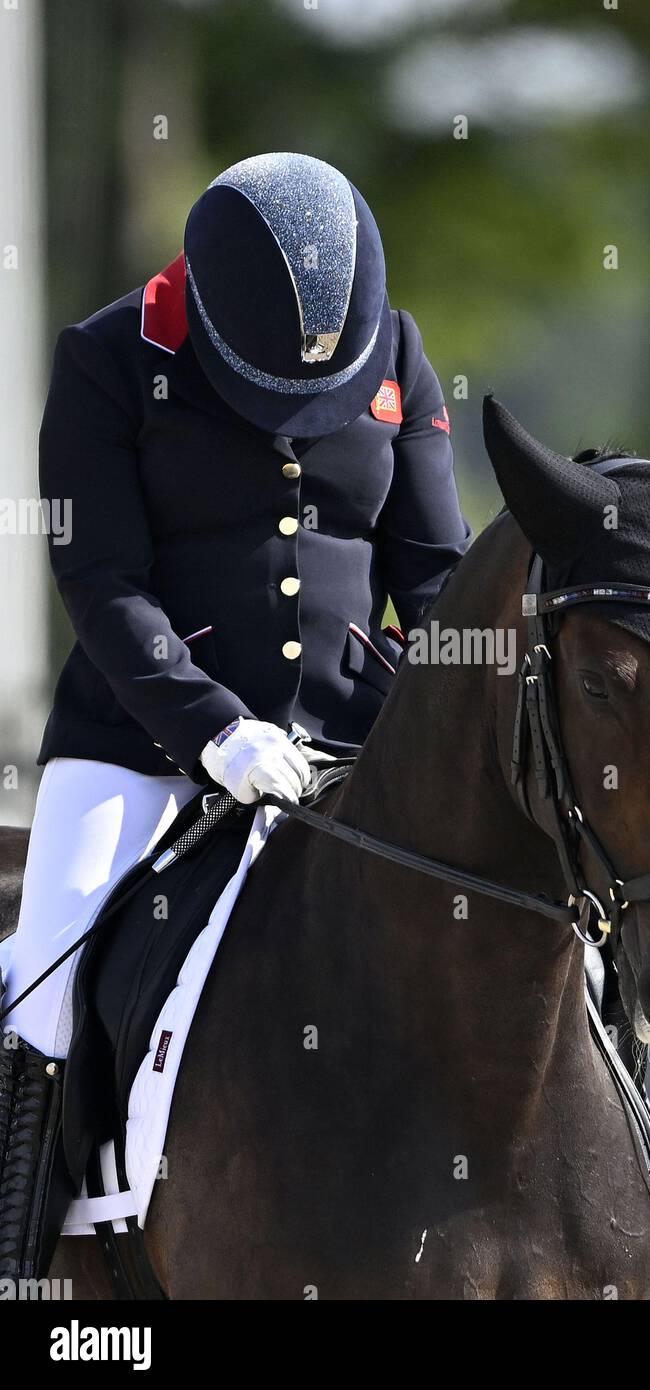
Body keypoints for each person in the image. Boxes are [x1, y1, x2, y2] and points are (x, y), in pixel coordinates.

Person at [0, 151, 471, 1280]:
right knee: (45, 984)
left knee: (548, 931)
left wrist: (438, 727)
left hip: (359, 742)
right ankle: (22, 1250)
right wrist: (211, 728)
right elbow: (103, 584)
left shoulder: (397, 351)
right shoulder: (110, 361)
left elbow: (440, 574)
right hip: (144, 747)